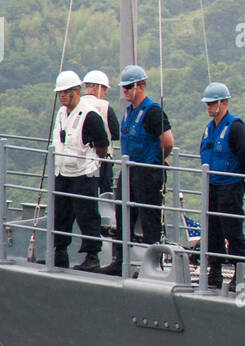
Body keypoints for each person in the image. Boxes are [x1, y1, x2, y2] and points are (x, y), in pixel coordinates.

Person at [109, 64, 173, 273]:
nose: (125, 91)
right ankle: (120, 261)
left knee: (150, 220)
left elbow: (168, 141)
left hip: (147, 173)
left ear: (140, 86)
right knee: (123, 215)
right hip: (128, 172)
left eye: (128, 87)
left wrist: (156, 160)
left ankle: (153, 266)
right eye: (124, 87)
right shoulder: (128, 112)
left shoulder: (152, 111)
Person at [49, 70, 110, 271]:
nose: (63, 96)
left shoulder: (90, 115)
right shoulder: (60, 114)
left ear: (77, 91)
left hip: (84, 173)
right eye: (60, 93)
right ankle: (59, 253)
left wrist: (91, 162)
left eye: (66, 92)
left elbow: (103, 144)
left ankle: (92, 257)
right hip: (62, 171)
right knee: (61, 215)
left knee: (87, 215)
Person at [199, 82, 245, 289]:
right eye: (208, 103)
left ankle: (239, 273)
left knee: (232, 229)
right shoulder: (209, 129)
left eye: (212, 103)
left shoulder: (236, 127)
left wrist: (236, 177)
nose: (209, 107)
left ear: (224, 103)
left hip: (230, 186)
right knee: (213, 229)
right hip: (211, 185)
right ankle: (215, 270)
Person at [81, 69, 120, 265]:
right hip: (103, 159)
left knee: (85, 197)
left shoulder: (77, 104)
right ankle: (105, 225)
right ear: (97, 88)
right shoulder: (104, 106)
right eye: (104, 89)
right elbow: (116, 132)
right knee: (104, 193)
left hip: (81, 163)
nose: (105, 93)